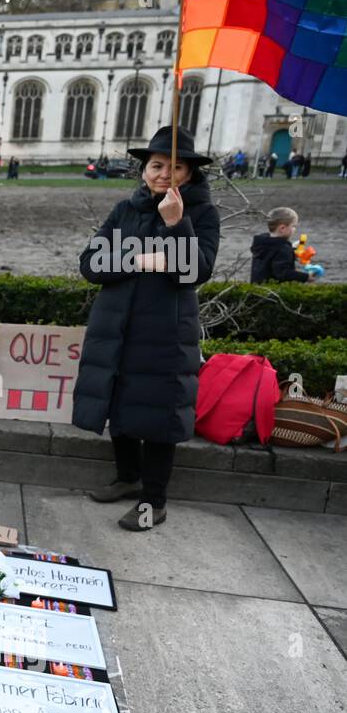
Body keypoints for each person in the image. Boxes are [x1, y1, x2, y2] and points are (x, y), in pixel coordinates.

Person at [73, 126, 220, 531]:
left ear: (189, 174)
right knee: (118, 402)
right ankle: (127, 477)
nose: (164, 174)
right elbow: (91, 264)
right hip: (117, 328)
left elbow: (194, 270)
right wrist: (141, 259)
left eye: (175, 167)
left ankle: (153, 501)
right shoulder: (125, 210)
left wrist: (175, 226)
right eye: (157, 165)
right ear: (143, 170)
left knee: (158, 415)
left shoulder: (201, 213)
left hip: (164, 333)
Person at [250, 207, 309, 284]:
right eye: (294, 226)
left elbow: (271, 259)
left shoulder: (262, 243)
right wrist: (306, 277)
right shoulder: (283, 248)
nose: (295, 229)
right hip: (274, 292)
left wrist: (292, 250)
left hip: (257, 289)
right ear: (282, 228)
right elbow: (284, 273)